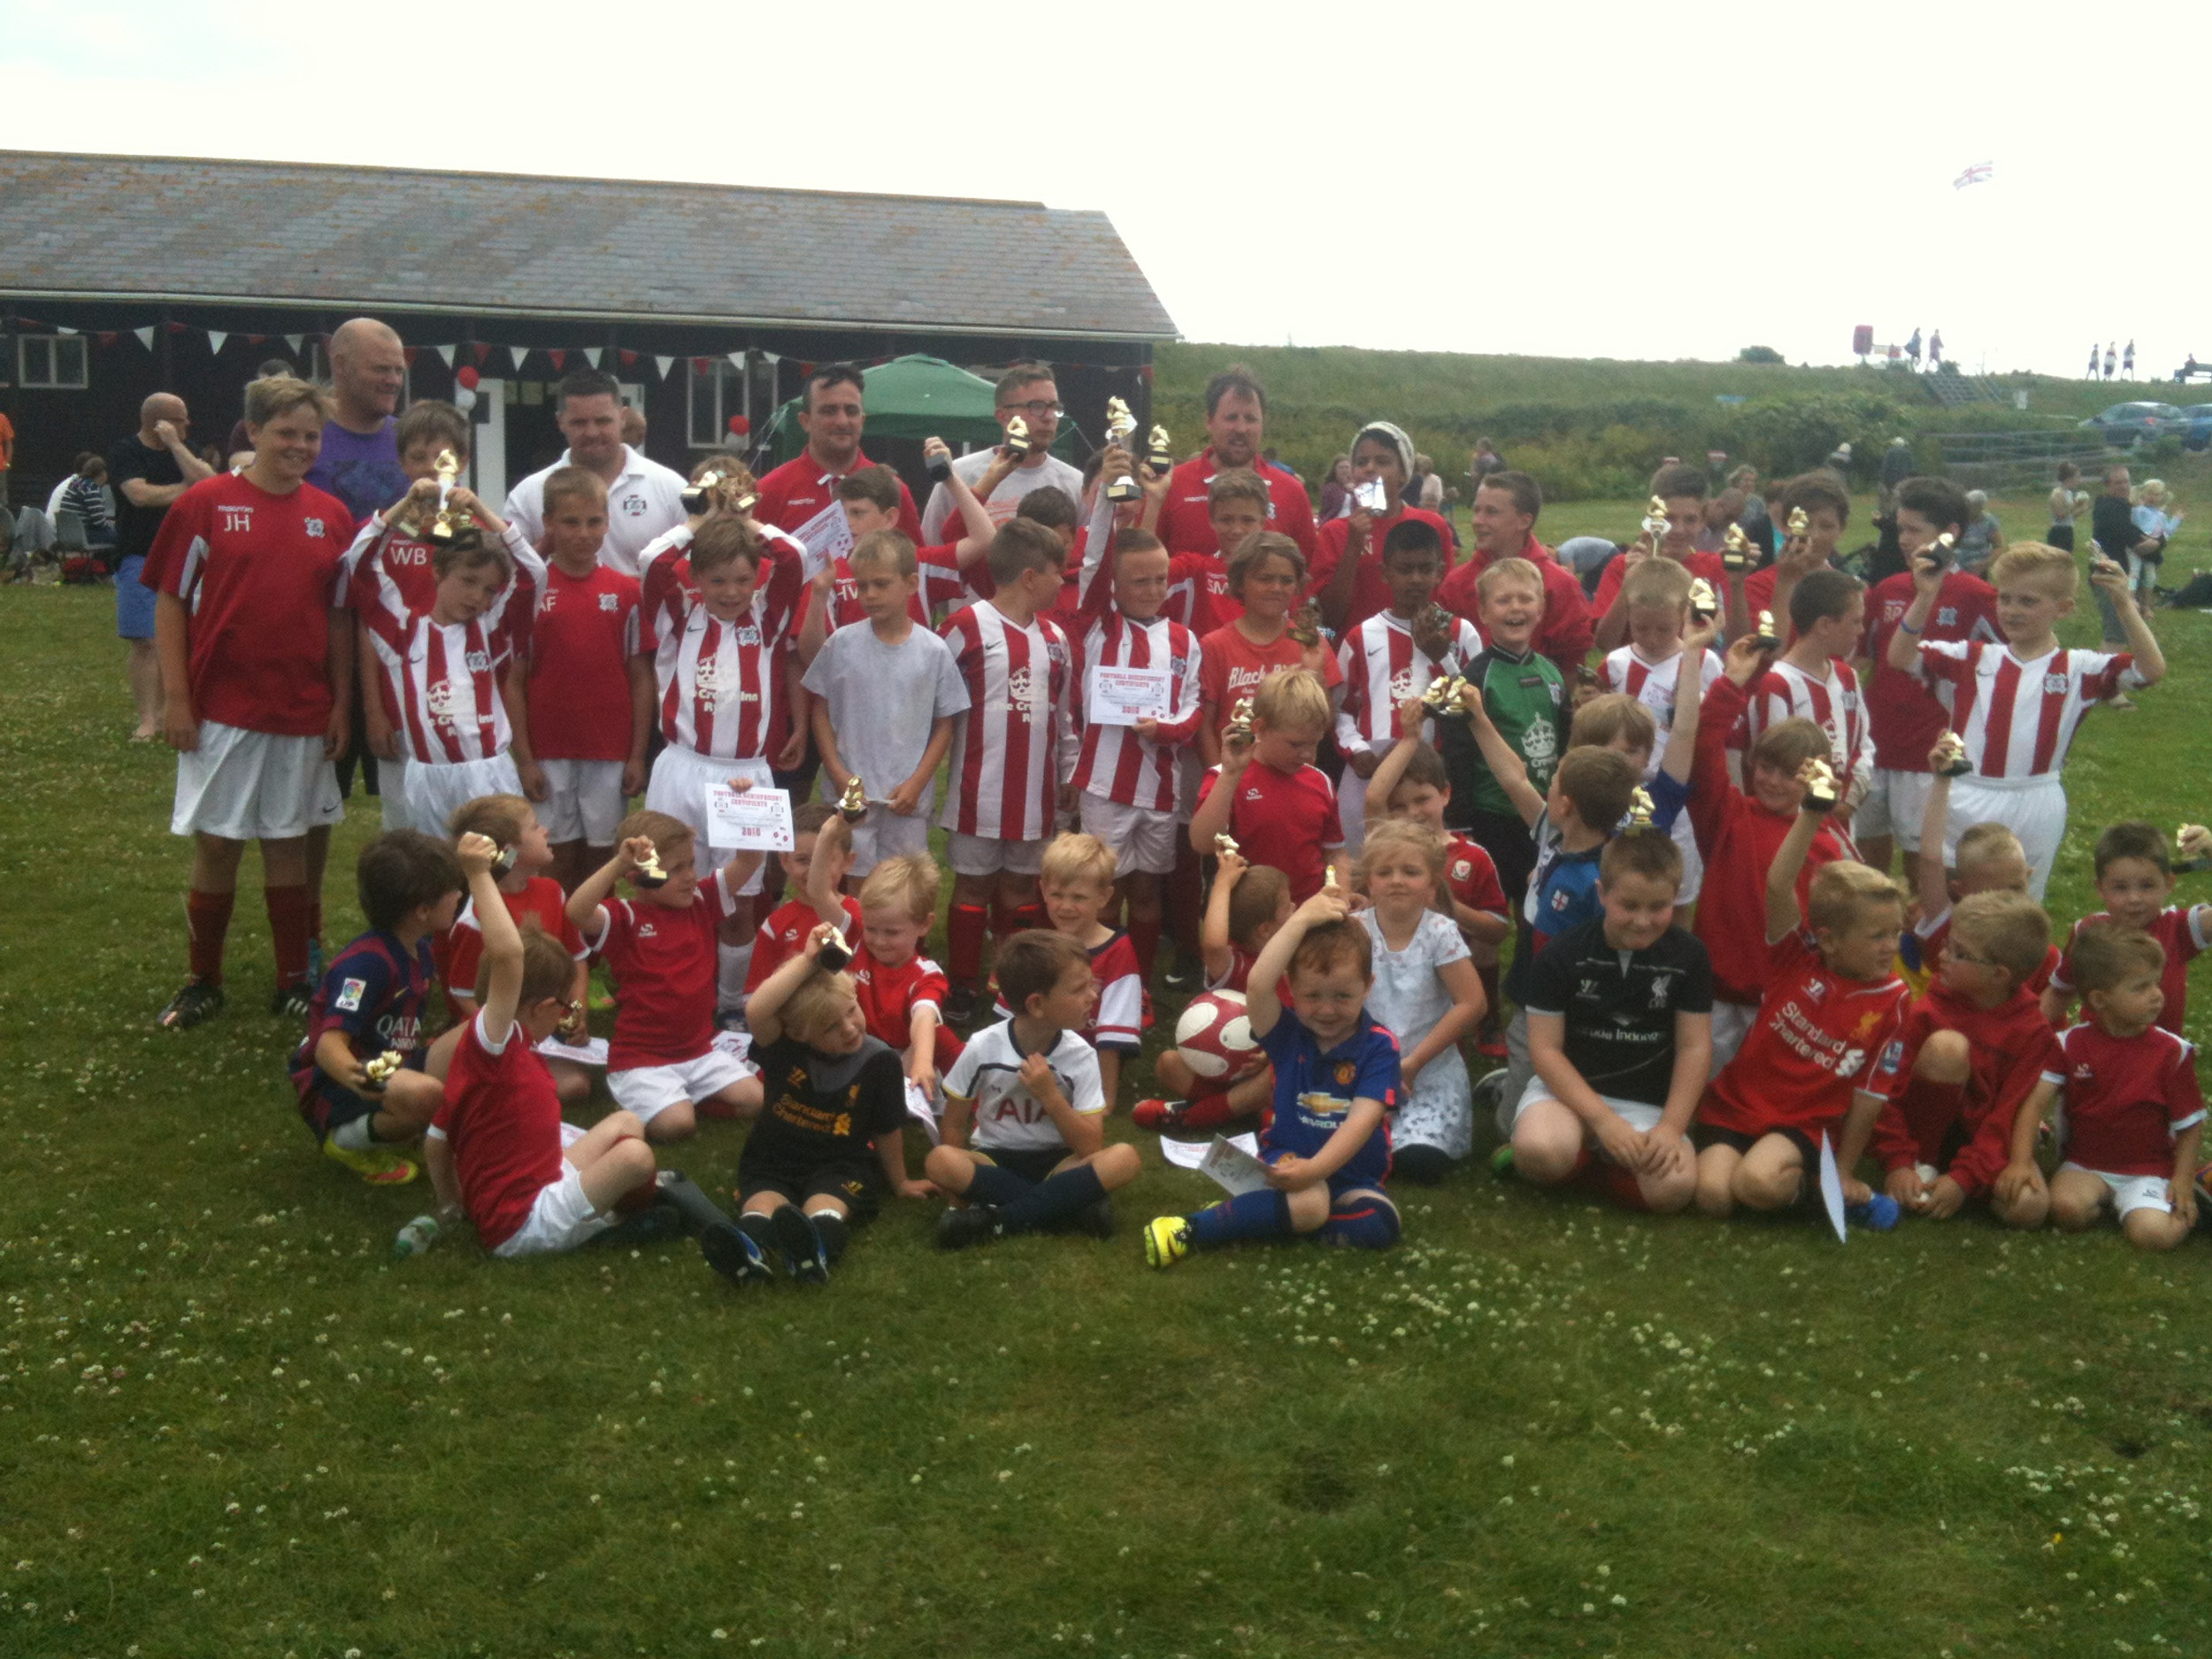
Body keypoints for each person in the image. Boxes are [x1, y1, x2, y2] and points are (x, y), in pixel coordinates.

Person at [144, 376, 355, 1030]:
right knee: (219, 846)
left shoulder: (331, 514)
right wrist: (177, 700)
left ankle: (293, 979)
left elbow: (340, 619)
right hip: (223, 711)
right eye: (285, 432)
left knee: (288, 843)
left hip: (302, 709)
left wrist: (342, 703)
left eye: (310, 436)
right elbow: (171, 601)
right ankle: (202, 979)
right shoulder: (205, 505)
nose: (298, 445)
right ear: (255, 433)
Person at [426, 832, 669, 1261]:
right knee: (634, 1156)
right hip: (522, 1222)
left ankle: (625, 1203)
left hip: (541, 1179)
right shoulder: (493, 1046)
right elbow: (508, 956)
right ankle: (622, 1219)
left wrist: (451, 1206)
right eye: (562, 1006)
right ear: (540, 1008)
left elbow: (435, 1139)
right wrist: (477, 874)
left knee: (626, 1122)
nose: (565, 1014)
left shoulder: (498, 1048)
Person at [1886, 541, 2162, 900]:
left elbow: (2151, 670)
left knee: (2021, 903)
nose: (2012, 610)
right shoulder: (1970, 657)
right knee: (1952, 897)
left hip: (2036, 798)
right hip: (1968, 792)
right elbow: (1899, 657)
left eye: (2028, 601)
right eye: (2005, 599)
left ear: (2063, 608)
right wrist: (1925, 598)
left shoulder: (2079, 667)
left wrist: (2124, 604)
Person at [1141, 888, 1402, 1266]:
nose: (1327, 1010)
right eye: (1312, 995)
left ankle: (1258, 1215)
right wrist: (1299, 920)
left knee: (1381, 1224)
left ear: (1368, 986)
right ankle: (1188, 1228)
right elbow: (1259, 986)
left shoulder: (1380, 1046)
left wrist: (1318, 1169)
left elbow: (1361, 1123)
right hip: (1290, 1158)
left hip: (1353, 1176)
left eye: (1343, 996)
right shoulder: (1287, 1033)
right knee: (1311, 1203)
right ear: (1291, 988)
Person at [1693, 782, 1910, 1222]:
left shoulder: (1893, 999)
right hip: (1737, 1104)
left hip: (1801, 1123)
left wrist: (1846, 1170)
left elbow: (1870, 1093)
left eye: (1895, 933)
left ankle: (1826, 1191)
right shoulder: (1796, 959)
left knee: (1754, 1184)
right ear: (1829, 940)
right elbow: (1777, 884)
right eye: (1877, 936)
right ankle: (1808, 1191)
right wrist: (1809, 814)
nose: (1891, 947)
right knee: (1713, 1197)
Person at [637, 511, 806, 1005]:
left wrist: (750, 521)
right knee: (667, 886)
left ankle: (732, 1003)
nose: (731, 592)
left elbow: (794, 557)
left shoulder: (767, 618)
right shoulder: (677, 617)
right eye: (717, 580)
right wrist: (701, 523)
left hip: (746, 778)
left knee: (741, 901)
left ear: (757, 578)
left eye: (742, 579)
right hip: (681, 767)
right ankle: (671, 991)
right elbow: (652, 562)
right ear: (695, 577)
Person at [713, 919, 935, 1286]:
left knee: (825, 1209)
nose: (849, 1028)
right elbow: (757, 1011)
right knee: (761, 1208)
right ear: (799, 1032)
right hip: (774, 1160)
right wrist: (808, 959)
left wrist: (901, 1182)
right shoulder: (785, 1048)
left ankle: (811, 1253)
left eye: (851, 1011)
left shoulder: (879, 1061)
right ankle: (749, 1253)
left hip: (839, 1164)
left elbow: (886, 1128)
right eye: (830, 1027)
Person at [1511, 829, 1710, 1213]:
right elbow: (1545, 1049)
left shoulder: (1690, 957)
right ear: (1602, 893)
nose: (1642, 920)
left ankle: (1601, 1165)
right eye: (1629, 905)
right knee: (1541, 1151)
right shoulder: (1561, 954)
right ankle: (1583, 1152)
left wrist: (1670, 1127)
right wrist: (1602, 1121)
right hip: (1570, 1097)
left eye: (1658, 907)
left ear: (1676, 897)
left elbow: (1694, 1046)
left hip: (1646, 1104)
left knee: (1674, 1191)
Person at [1682, 631, 1855, 1071]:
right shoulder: (1728, 815)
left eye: (1790, 774)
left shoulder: (1830, 840)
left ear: (1818, 776)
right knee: (1707, 1087)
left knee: (1765, 1087)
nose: (1773, 781)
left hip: (1784, 994)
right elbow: (1703, 748)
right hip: (1719, 990)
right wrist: (1731, 685)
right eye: (1765, 767)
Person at [935, 517, 1077, 1024]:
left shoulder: (1057, 638)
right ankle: (961, 986)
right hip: (978, 791)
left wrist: (1069, 773)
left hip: (1036, 796)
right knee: (973, 886)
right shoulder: (964, 627)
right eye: (1058, 572)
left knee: (1021, 890)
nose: (1065, 581)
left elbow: (1063, 717)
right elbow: (933, 700)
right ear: (1030, 578)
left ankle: (1009, 988)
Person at [926, 930, 1142, 1248]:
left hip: (1059, 1164)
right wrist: (956, 1197)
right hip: (995, 1161)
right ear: (1038, 1005)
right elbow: (954, 1125)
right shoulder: (983, 1047)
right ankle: (1067, 1207)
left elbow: (1090, 1147)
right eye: (1080, 989)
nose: (1093, 996)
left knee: (1125, 1158)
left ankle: (997, 1221)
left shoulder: (1080, 1054)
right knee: (940, 1161)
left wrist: (1050, 1097)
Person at [565, 812, 767, 1143]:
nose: (689, 876)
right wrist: (618, 864)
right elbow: (576, 911)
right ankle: (664, 1102)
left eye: (691, 864)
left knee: (755, 1100)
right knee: (677, 1126)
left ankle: (684, 1098)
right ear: (638, 878)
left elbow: (750, 859)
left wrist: (740, 804)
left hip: (699, 1050)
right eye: (675, 870)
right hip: (642, 1058)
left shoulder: (702, 900)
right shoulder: (624, 916)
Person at [1870, 889, 2060, 1226]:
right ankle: (1921, 1168)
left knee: (2029, 1208)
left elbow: (2008, 1116)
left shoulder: (2033, 1032)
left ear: (1999, 975)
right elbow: (1887, 1086)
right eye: (1948, 943)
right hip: (1921, 1131)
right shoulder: (1933, 1006)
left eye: (1959, 952)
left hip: (1982, 1142)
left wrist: (1965, 1178)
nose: (1942, 955)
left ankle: (1950, 1185)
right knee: (1947, 1047)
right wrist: (1898, 1160)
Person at [355, 508, 544, 838]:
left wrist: (479, 508)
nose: (477, 597)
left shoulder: (494, 633)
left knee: (501, 868)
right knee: (436, 872)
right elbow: (360, 564)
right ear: (438, 572)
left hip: (489, 774)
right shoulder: (400, 633)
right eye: (468, 582)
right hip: (428, 775)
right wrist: (404, 507)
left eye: (489, 590)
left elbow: (534, 572)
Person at [1066, 521, 1202, 978]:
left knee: (1146, 891)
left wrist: (1163, 730)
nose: (1152, 589)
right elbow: (1092, 562)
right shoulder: (1099, 626)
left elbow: (1193, 709)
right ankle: (1098, 978)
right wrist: (1109, 495)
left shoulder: (1184, 640)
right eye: (1139, 581)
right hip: (1105, 787)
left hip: (1160, 790)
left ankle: (1136, 981)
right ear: (1114, 587)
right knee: (1105, 890)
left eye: (1160, 579)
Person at [289, 829, 463, 1185]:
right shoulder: (366, 966)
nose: (460, 896)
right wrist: (364, 1080)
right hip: (340, 1083)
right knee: (427, 1094)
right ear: (423, 911)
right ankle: (345, 1142)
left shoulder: (421, 948)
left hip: (393, 1059)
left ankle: (411, 1126)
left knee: (476, 1035)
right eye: (453, 892)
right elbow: (328, 1045)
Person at [2016, 923, 2202, 1252]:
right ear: (2100, 1000)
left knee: (2152, 1237)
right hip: (2085, 1165)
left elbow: (2190, 1126)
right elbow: (2033, 1105)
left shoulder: (2172, 1052)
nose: (2157, 994)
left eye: (2156, 983)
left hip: (2149, 1170)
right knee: (2067, 1210)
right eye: (2140, 988)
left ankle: (2189, 1209)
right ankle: (2116, 1205)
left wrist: (2183, 1180)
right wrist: (2020, 1161)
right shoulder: (2069, 1044)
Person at [1852, 476, 2000, 881]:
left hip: (1929, 751)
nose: (1903, 539)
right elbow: (1862, 657)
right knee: (1865, 852)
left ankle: (1923, 937)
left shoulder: (1977, 595)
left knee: (1923, 860)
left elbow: (2011, 665)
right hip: (1875, 744)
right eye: (1901, 528)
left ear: (1951, 533)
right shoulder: (1887, 589)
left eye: (1914, 529)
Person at [803, 527, 970, 878]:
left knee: (903, 888)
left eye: (881, 584)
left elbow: (945, 722)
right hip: (851, 793)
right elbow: (820, 709)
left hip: (904, 798)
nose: (870, 595)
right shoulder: (842, 644)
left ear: (911, 583)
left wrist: (918, 782)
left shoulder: (932, 650)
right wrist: (837, 772)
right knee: (851, 882)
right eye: (862, 586)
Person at [520, 465, 652, 896]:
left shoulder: (626, 591)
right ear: (548, 524)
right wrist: (524, 758)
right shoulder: (529, 591)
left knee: (604, 852)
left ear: (607, 523)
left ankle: (598, 936)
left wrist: (637, 754)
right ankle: (557, 940)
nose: (583, 533)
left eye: (594, 521)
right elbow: (514, 678)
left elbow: (639, 675)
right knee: (552, 851)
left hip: (608, 749)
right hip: (549, 747)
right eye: (570, 522)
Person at [1333, 518, 1481, 852]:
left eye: (1425, 569)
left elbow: (1475, 706)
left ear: (1440, 571)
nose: (1415, 579)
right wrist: (1357, 751)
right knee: (1369, 860)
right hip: (1373, 769)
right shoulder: (1360, 637)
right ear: (1385, 573)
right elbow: (1341, 710)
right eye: (1404, 569)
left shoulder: (1461, 634)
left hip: (1439, 768)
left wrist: (1442, 657)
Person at [1353, 820, 1484, 1183]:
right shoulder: (1354, 931)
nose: (1396, 880)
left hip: (1426, 1071)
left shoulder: (1439, 932)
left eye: (1410, 871)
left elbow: (1472, 1003)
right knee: (1348, 1141)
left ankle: (1408, 1141)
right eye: (1385, 871)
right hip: (1364, 1068)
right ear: (1369, 882)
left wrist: (1413, 1063)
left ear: (1430, 885)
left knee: (1420, 1163)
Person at [442, 795, 593, 1106]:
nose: (546, 831)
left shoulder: (553, 892)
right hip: (501, 1036)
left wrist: (577, 1012)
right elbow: (463, 994)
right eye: (535, 827)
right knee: (569, 1085)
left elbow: (577, 959)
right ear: (509, 853)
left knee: (577, 1084)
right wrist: (515, 1034)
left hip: (542, 1026)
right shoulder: (478, 918)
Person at [1433, 557, 1564, 910]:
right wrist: (1461, 821)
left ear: (1540, 609)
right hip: (1492, 815)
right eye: (1504, 600)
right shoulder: (1475, 678)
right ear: (1484, 612)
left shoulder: (1552, 673)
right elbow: (1457, 753)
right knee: (1485, 915)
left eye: (1525, 599)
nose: (1516, 608)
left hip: (1541, 813)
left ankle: (1531, 963)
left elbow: (1565, 744)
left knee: (1536, 905)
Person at [1131, 849, 1293, 1132]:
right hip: (1224, 1074)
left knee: (1279, 1071)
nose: (1295, 910)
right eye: (1288, 907)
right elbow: (1214, 944)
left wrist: (1270, 1053)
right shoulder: (1237, 962)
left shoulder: (1297, 959)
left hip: (1268, 1071)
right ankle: (1249, 1111)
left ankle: (1195, 1115)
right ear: (1266, 930)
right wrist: (1222, 883)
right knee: (1168, 1064)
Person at [985, 833, 1145, 1106]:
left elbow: (1113, 1034)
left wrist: (1105, 1100)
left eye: (1079, 897)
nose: (1066, 906)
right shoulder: (1034, 943)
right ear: (1043, 890)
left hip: (1090, 1057)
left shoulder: (1118, 950)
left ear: (1104, 897)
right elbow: (1007, 1018)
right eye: (1057, 895)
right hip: (1037, 1052)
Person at [1905, 743, 2058, 997]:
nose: (2006, 899)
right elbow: (1931, 859)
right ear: (1960, 890)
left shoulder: (2040, 949)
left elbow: (2047, 1016)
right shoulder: (1944, 924)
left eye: (2016, 887)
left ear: (2029, 876)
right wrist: (1942, 781)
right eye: (1992, 891)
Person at [504, 370, 688, 578]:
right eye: (579, 423)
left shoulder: (670, 487)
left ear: (623, 417)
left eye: (602, 421)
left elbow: (699, 568)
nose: (592, 433)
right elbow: (507, 574)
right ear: (561, 422)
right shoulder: (529, 494)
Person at [1190, 667, 1348, 904]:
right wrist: (1230, 776)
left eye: (1314, 744)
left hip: (1308, 915)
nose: (1307, 754)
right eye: (1295, 745)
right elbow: (1201, 843)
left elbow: (1335, 853)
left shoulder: (1320, 781)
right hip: (1247, 922)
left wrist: (1342, 898)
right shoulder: (1225, 776)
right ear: (1260, 728)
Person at [111, 394, 214, 741]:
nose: (187, 426)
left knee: (184, 638)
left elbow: (212, 485)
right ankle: (148, 718)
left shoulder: (186, 447)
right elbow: (139, 496)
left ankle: (177, 707)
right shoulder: (126, 451)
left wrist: (175, 445)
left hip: (184, 556)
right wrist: (186, 490)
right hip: (138, 554)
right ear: (159, 421)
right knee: (145, 641)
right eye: (180, 420)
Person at [1194, 532, 1343, 770]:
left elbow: (1325, 723)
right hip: (1235, 775)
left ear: (1298, 585)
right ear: (1240, 582)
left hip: (1294, 774)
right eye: (1264, 579)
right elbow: (1204, 727)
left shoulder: (1310, 642)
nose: (1276, 587)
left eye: (1286, 580)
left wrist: (1314, 673)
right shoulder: (1215, 645)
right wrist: (1218, 779)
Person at [2045, 821, 2209, 1035]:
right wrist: (2026, 1036)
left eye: (2147, 886)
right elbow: (2060, 993)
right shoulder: (2089, 932)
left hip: (2158, 1061)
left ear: (2168, 883)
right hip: (2094, 1058)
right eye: (2120, 888)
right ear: (2100, 888)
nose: (2134, 898)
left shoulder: (2179, 929)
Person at [1154, 365, 1318, 569]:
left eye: (1251, 419)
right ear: (1209, 421)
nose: (1241, 429)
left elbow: (1307, 575)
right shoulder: (1171, 486)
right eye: (1231, 418)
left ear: (1262, 423)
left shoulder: (1292, 492)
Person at [1739, 568, 1874, 810]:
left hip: (1841, 817)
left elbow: (1863, 745)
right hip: (1796, 826)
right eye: (1855, 621)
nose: (1861, 630)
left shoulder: (1847, 677)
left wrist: (1850, 797)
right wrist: (1820, 805)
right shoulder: (1778, 685)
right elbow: (1776, 766)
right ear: (1824, 625)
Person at [1435, 471, 1592, 677]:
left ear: (1524, 521)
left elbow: (1571, 666)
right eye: (1476, 510)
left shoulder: (1558, 584)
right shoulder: (1457, 582)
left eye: (1491, 512)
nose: (1477, 521)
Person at [753, 363, 924, 550]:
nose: (842, 421)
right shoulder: (769, 491)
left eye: (851, 411)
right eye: (829, 411)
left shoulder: (893, 490)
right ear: (805, 421)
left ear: (862, 420)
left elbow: (917, 567)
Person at [1309, 421, 1456, 636]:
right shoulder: (1335, 532)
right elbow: (1328, 618)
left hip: (1421, 649)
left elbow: (1444, 600)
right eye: (1361, 462)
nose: (1370, 468)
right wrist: (1353, 547)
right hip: (1358, 654)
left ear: (1403, 474)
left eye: (1383, 461)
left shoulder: (1431, 525)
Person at [918, 362, 1083, 541]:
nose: (1049, 417)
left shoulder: (1075, 483)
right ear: (1003, 416)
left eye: (1054, 407)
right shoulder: (961, 475)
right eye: (1037, 407)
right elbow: (932, 549)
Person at [849, 852, 958, 1110]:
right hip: (857, 1044)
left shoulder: (926, 974)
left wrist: (922, 1061)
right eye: (871, 929)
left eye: (892, 932)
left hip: (905, 1054)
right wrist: (834, 832)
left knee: (936, 1034)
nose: (878, 940)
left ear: (924, 925)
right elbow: (821, 892)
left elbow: (923, 1017)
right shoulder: (857, 943)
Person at [1591, 464, 1727, 649]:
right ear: (1652, 517)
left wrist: (1736, 585)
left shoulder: (1716, 567)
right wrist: (1631, 582)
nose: (1678, 530)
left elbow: (1737, 642)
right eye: (1669, 519)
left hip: (1697, 671)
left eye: (1690, 519)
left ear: (1703, 520)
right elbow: (1605, 644)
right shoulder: (1623, 566)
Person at [741, 804, 862, 999]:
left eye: (824, 860)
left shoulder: (860, 915)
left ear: (848, 861)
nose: (814, 871)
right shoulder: (775, 925)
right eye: (803, 860)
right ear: (784, 860)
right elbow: (756, 994)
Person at [304, 319, 409, 524]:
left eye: (399, 371)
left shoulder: (412, 440)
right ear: (341, 365)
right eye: (381, 369)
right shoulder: (301, 435)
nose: (393, 381)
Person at [2090, 465, 2159, 657]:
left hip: (2121, 576)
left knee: (2129, 629)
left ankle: (2113, 678)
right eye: (2118, 482)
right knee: (2116, 635)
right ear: (2107, 485)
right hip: (2109, 576)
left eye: (2126, 481)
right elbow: (2138, 544)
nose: (2124, 486)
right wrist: (2159, 541)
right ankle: (2098, 679)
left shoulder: (2122, 506)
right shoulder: (2111, 509)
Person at [2128, 479, 2178, 606]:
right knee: (2134, 571)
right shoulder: (2139, 510)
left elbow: (2167, 531)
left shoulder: (2161, 515)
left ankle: (2147, 603)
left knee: (2151, 576)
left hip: (2152, 550)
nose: (2153, 498)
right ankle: (2131, 598)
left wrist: (2177, 519)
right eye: (2150, 493)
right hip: (2137, 546)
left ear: (2161, 497)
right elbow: (2133, 523)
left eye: (2157, 495)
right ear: (2143, 494)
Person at [1956, 491, 2003, 574]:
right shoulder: (1957, 520)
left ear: (1981, 507)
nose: (1968, 509)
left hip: (1978, 570)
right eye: (1967, 505)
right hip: (1955, 568)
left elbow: (1998, 547)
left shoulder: (1989, 522)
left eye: (1973, 506)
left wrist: (1984, 564)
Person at [2047, 462, 2085, 553]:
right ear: (2069, 479)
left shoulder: (2069, 493)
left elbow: (2070, 517)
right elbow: (2060, 515)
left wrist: (2081, 509)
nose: (2079, 480)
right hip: (2059, 533)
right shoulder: (2057, 493)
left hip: (2068, 531)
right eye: (2077, 477)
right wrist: (2075, 505)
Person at [1878, 437, 1914, 517]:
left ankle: (1886, 513)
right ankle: (1896, 512)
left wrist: (1883, 479)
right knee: (1899, 496)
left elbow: (1886, 466)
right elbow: (1911, 467)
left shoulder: (1890, 452)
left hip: (1890, 478)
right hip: (1903, 479)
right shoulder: (1908, 453)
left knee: (1887, 497)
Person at [1319, 455, 1353, 521]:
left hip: (1354, 524)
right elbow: (1325, 511)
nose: (1344, 470)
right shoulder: (1330, 488)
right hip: (1335, 523)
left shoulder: (1358, 487)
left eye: (1347, 467)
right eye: (1341, 467)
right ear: (1335, 470)